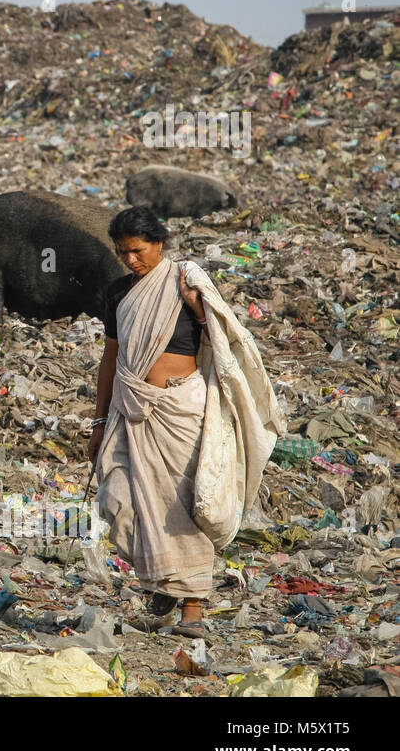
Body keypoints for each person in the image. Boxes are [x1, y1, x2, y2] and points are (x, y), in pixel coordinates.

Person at [87, 206, 283, 638]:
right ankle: (162, 580)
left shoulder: (187, 282)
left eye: (137, 251)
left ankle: (191, 606)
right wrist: (99, 421)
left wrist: (197, 312)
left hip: (181, 407)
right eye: (123, 253)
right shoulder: (119, 293)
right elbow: (111, 357)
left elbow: (227, 347)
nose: (130, 260)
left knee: (181, 506)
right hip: (130, 407)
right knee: (116, 502)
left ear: (158, 243)